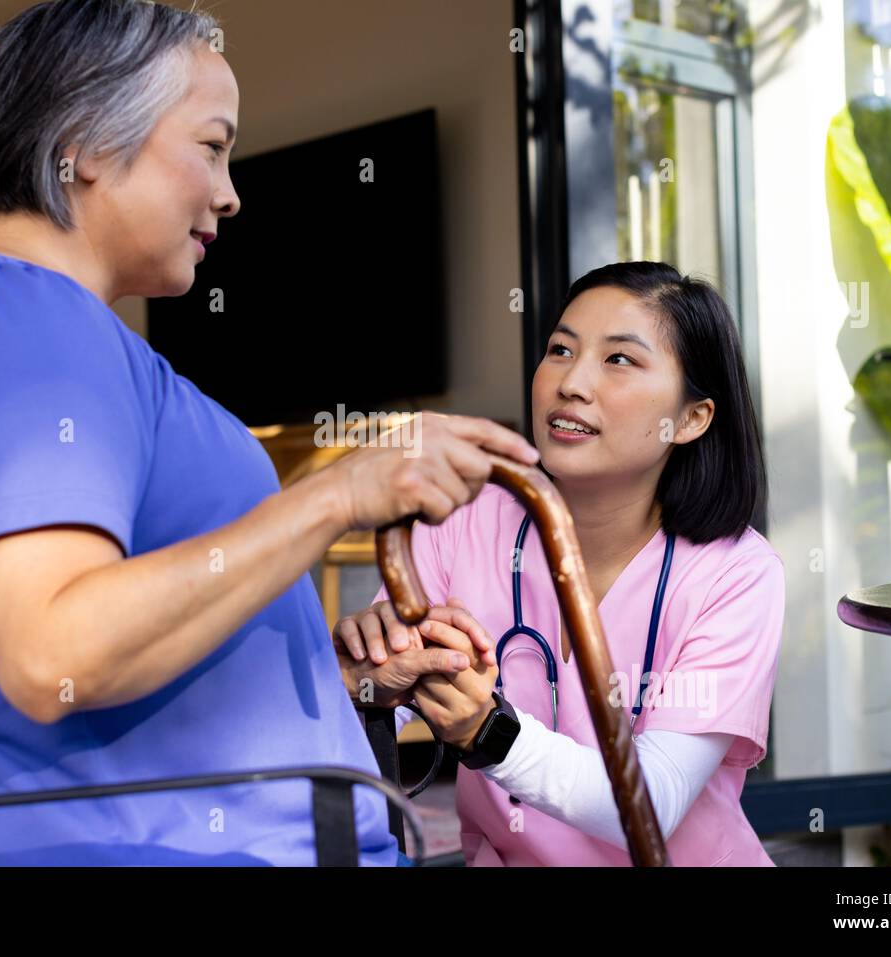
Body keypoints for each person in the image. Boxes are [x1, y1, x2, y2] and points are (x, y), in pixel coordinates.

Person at [0, 0, 539, 866]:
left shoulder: (43, 326)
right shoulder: (7, 315)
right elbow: (56, 648)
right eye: (211, 146)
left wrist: (344, 675)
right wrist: (339, 493)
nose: (230, 192)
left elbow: (121, 651)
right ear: (88, 143)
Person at [336, 262, 785, 865]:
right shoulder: (459, 518)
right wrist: (360, 675)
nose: (571, 382)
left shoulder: (737, 575)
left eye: (619, 359)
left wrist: (490, 734)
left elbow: (648, 804)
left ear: (690, 418)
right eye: (560, 349)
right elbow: (374, 687)